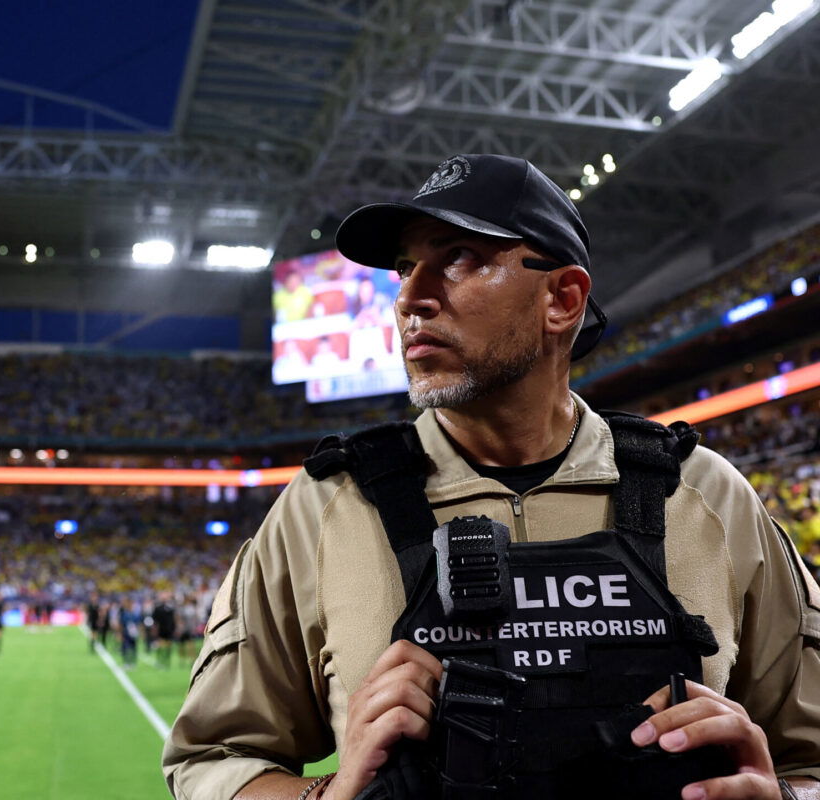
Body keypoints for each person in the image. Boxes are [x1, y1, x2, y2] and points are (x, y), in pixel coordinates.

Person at [163, 154, 820, 800]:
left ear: (562, 299)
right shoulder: (326, 506)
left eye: (459, 258)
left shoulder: (707, 497)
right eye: (404, 268)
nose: (411, 299)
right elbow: (212, 760)